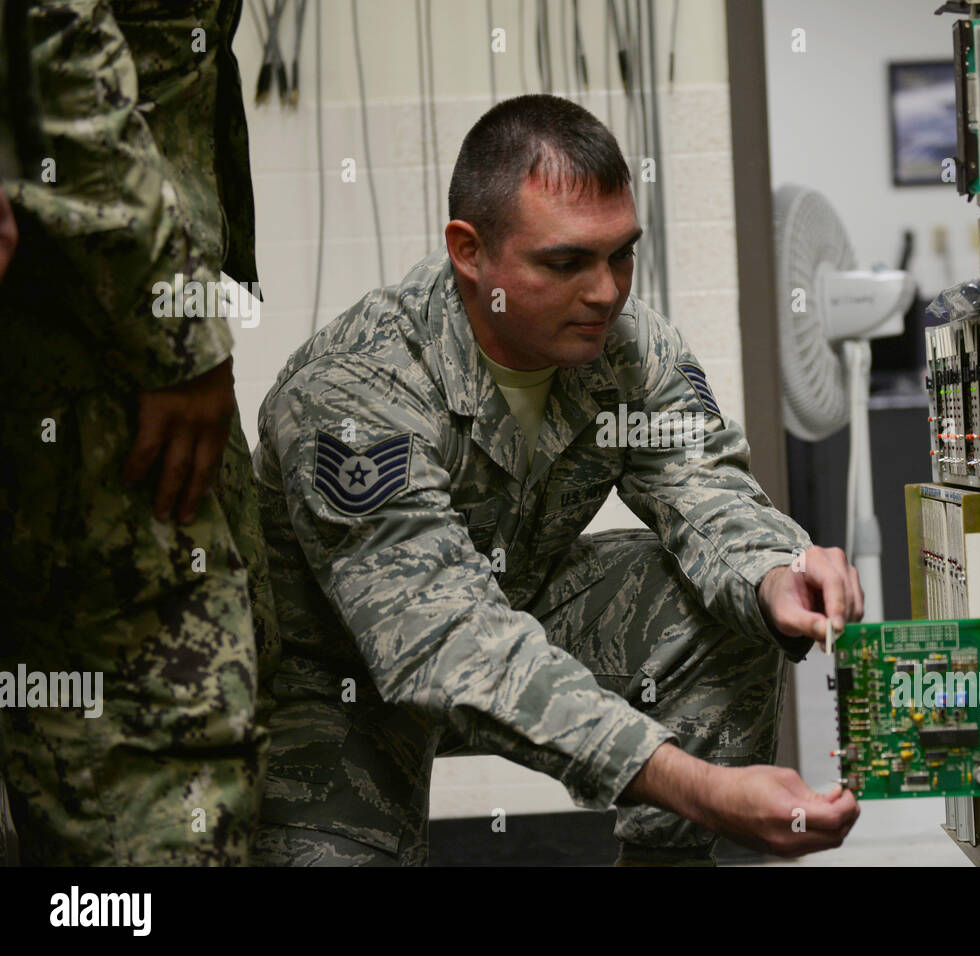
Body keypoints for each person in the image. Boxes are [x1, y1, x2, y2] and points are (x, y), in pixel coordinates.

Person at [251, 93, 860, 866]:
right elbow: (442, 636)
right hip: (340, 678)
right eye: (566, 262)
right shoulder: (356, 389)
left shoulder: (627, 348)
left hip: (519, 614)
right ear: (469, 252)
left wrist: (777, 570)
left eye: (621, 254)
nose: (607, 292)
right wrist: (694, 783)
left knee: (718, 605)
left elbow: (702, 483)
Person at [0, 0, 277, 865]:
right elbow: (55, 39)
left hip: (129, 337)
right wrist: (178, 334)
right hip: (96, 349)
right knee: (153, 763)